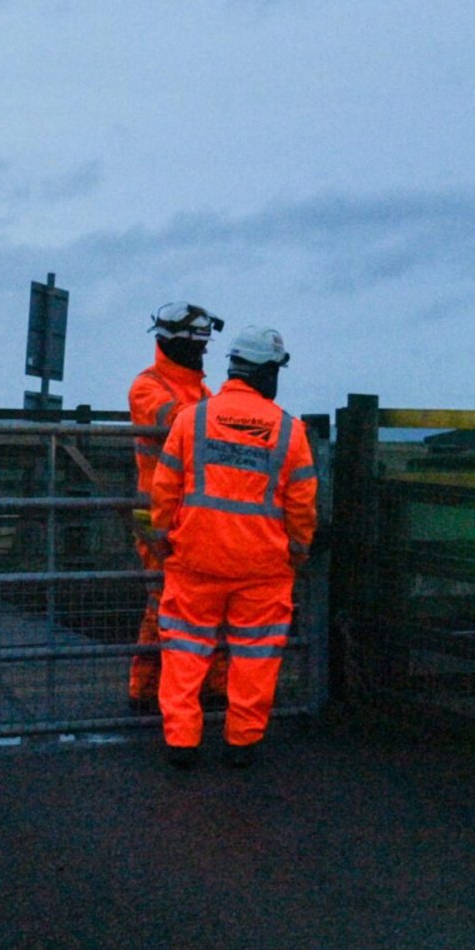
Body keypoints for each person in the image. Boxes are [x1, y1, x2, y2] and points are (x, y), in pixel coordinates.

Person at [148, 325, 317, 768]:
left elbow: (164, 487)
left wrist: (164, 537)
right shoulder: (290, 431)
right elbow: (301, 504)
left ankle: (182, 741)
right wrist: (298, 549)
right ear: (267, 371)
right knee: (255, 655)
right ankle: (242, 741)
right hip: (263, 565)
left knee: (185, 650)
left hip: (195, 557)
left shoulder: (193, 418)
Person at [127, 302, 229, 711]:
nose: (202, 354)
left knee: (207, 603)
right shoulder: (148, 386)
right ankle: (145, 690)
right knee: (163, 604)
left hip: (197, 514)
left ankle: (210, 687)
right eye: (197, 345)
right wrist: (241, 416)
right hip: (158, 516)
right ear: (172, 342)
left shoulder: (201, 391)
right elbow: (186, 423)